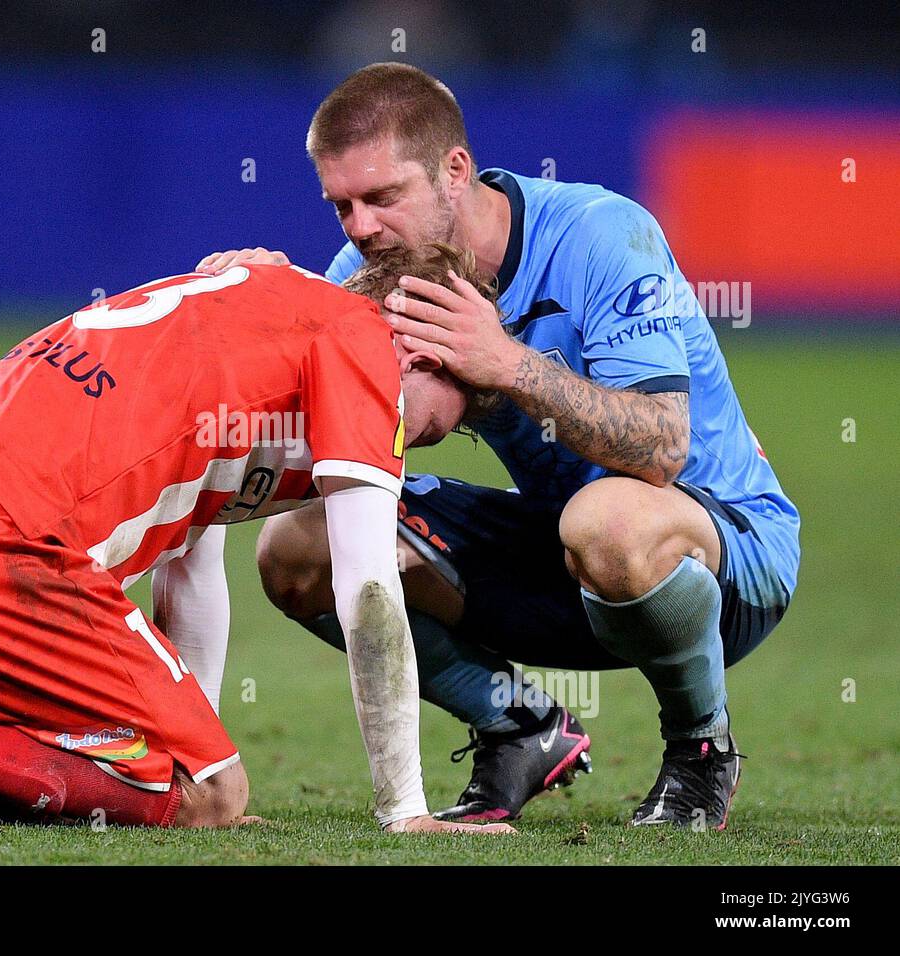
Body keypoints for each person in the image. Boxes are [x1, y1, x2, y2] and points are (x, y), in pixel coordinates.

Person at [0, 251, 514, 835]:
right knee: (209, 796)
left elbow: (190, 559)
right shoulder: (361, 341)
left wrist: (193, 749)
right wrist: (405, 808)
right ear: (420, 342)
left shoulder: (249, 303)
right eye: (452, 409)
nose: (428, 440)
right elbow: (368, 586)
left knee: (162, 779)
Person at [200, 62, 799, 829]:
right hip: (561, 548)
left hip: (721, 556)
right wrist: (260, 314)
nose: (359, 228)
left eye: (383, 197)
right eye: (341, 205)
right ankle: (519, 726)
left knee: (608, 521)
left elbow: (660, 450)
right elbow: (321, 445)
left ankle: (700, 751)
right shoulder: (368, 271)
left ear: (454, 171)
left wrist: (508, 364)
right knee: (297, 549)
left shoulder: (598, 235)